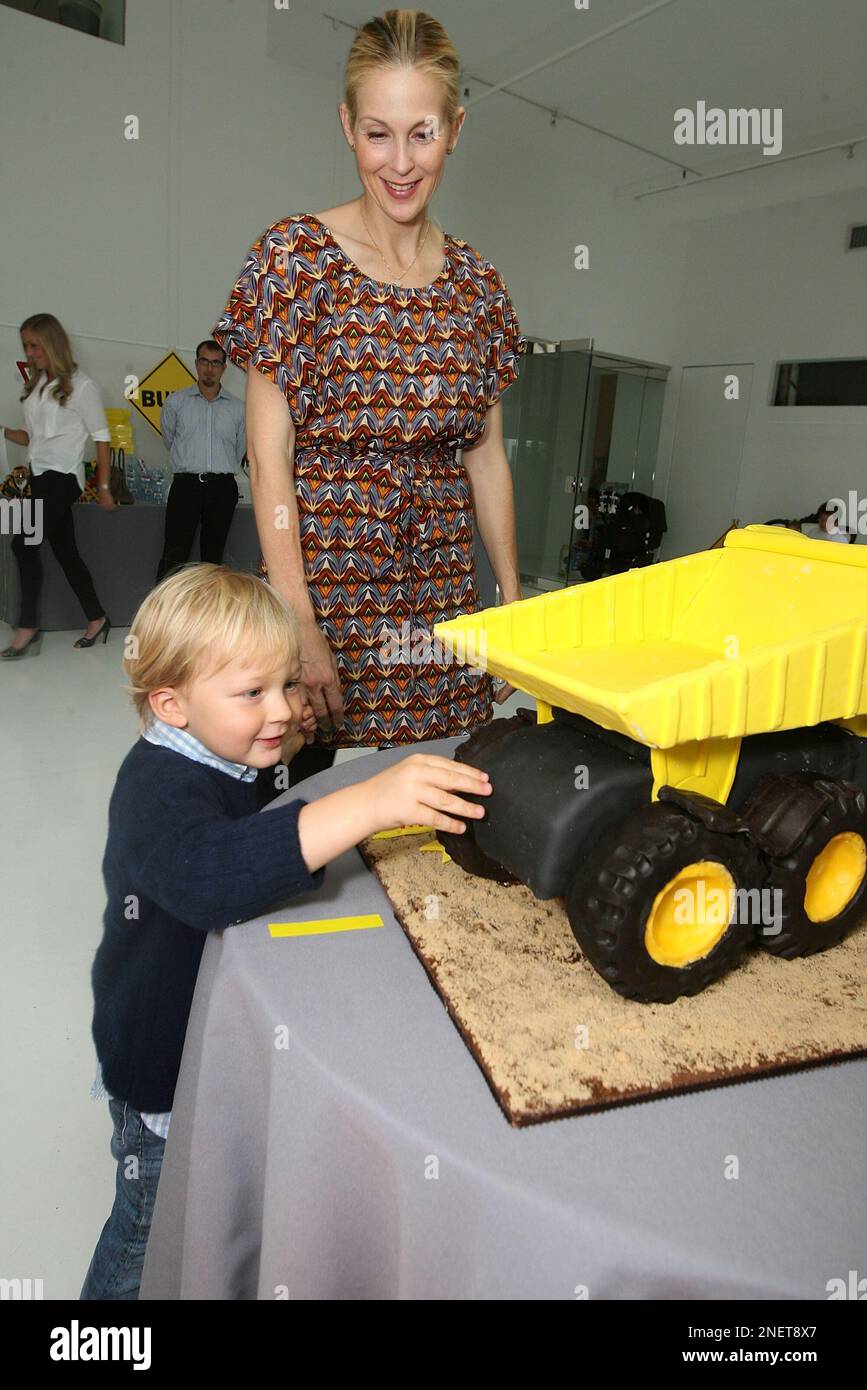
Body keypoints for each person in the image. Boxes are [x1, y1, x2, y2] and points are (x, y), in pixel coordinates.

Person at [80, 562, 491, 1299]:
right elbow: (211, 875)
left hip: (202, 1026)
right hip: (158, 1060)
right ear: (170, 704)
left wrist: (279, 745)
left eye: (285, 685)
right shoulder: (154, 790)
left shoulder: (224, 748)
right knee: (140, 1241)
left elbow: (249, 799)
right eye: (252, 694)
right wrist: (366, 803)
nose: (281, 710)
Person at [212, 10, 525, 793]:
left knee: (445, 790)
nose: (399, 162)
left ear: (455, 129)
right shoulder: (293, 259)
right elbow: (267, 457)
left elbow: (485, 457)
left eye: (421, 133)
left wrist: (512, 601)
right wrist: (298, 623)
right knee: (291, 790)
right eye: (377, 133)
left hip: (442, 584)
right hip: (321, 578)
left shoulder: (478, 285)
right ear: (347, 126)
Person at [1, 313, 115, 659]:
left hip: (63, 479)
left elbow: (102, 439)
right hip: (37, 476)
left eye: (34, 345)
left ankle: (27, 626)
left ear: (52, 343)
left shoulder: (82, 386)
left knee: (23, 544)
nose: (30, 352)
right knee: (66, 553)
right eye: (26, 346)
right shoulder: (37, 387)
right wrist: (4, 431)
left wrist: (105, 486)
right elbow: (32, 438)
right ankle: (97, 617)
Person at [154, 340, 246, 583]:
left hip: (222, 487)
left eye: (216, 363)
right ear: (196, 364)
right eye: (204, 361)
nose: (209, 368)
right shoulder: (177, 403)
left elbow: (239, 450)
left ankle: (208, 617)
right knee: (174, 554)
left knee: (213, 558)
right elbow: (170, 440)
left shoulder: (238, 409)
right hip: (186, 485)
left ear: (223, 368)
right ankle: (162, 615)